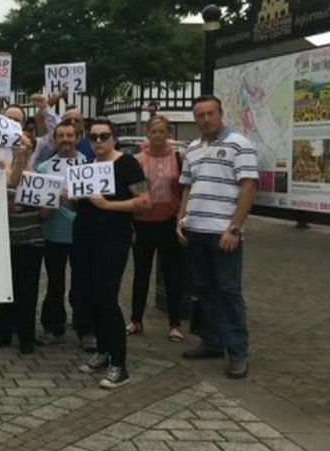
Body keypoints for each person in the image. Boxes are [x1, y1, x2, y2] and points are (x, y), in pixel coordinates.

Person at [178, 95, 258, 380]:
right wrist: (181, 220)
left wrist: (234, 228)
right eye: (200, 115)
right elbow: (187, 187)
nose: (205, 119)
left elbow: (248, 187)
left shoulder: (240, 144)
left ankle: (238, 353)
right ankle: (212, 343)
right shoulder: (193, 148)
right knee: (205, 291)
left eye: (210, 114)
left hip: (222, 233)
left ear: (220, 113)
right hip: (195, 231)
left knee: (228, 292)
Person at [74, 118, 151, 389]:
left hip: (112, 241)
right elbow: (80, 205)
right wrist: (66, 196)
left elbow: (144, 201)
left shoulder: (127, 164)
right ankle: (104, 351)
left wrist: (108, 205)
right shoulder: (86, 167)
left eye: (103, 136)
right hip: (84, 239)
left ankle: (120, 363)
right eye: (93, 137)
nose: (98, 142)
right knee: (90, 296)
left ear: (114, 138)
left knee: (107, 298)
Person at [35, 120, 95, 351]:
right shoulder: (44, 168)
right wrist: (51, 202)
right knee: (54, 284)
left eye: (70, 135)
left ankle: (86, 330)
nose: (66, 140)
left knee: (82, 284)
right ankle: (53, 328)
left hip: (82, 236)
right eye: (61, 136)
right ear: (55, 139)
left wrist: (74, 201)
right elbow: (41, 211)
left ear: (77, 137)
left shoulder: (89, 165)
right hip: (53, 235)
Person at [128, 116, 185, 341]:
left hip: (169, 222)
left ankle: (175, 323)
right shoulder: (138, 160)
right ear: (147, 134)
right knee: (141, 273)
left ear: (168, 133)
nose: (158, 136)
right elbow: (135, 189)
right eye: (153, 132)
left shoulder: (178, 158)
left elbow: (183, 189)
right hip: (143, 223)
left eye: (162, 132)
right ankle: (136, 319)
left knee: (173, 274)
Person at [0, 131, 45, 355]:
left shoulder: (39, 174)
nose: (21, 147)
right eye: (17, 144)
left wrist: (47, 206)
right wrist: (11, 204)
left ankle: (26, 338)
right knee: (3, 291)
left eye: (26, 144)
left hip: (30, 239)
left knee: (27, 291)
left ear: (32, 149)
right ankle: (3, 333)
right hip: (4, 240)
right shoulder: (1, 170)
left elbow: (44, 212)